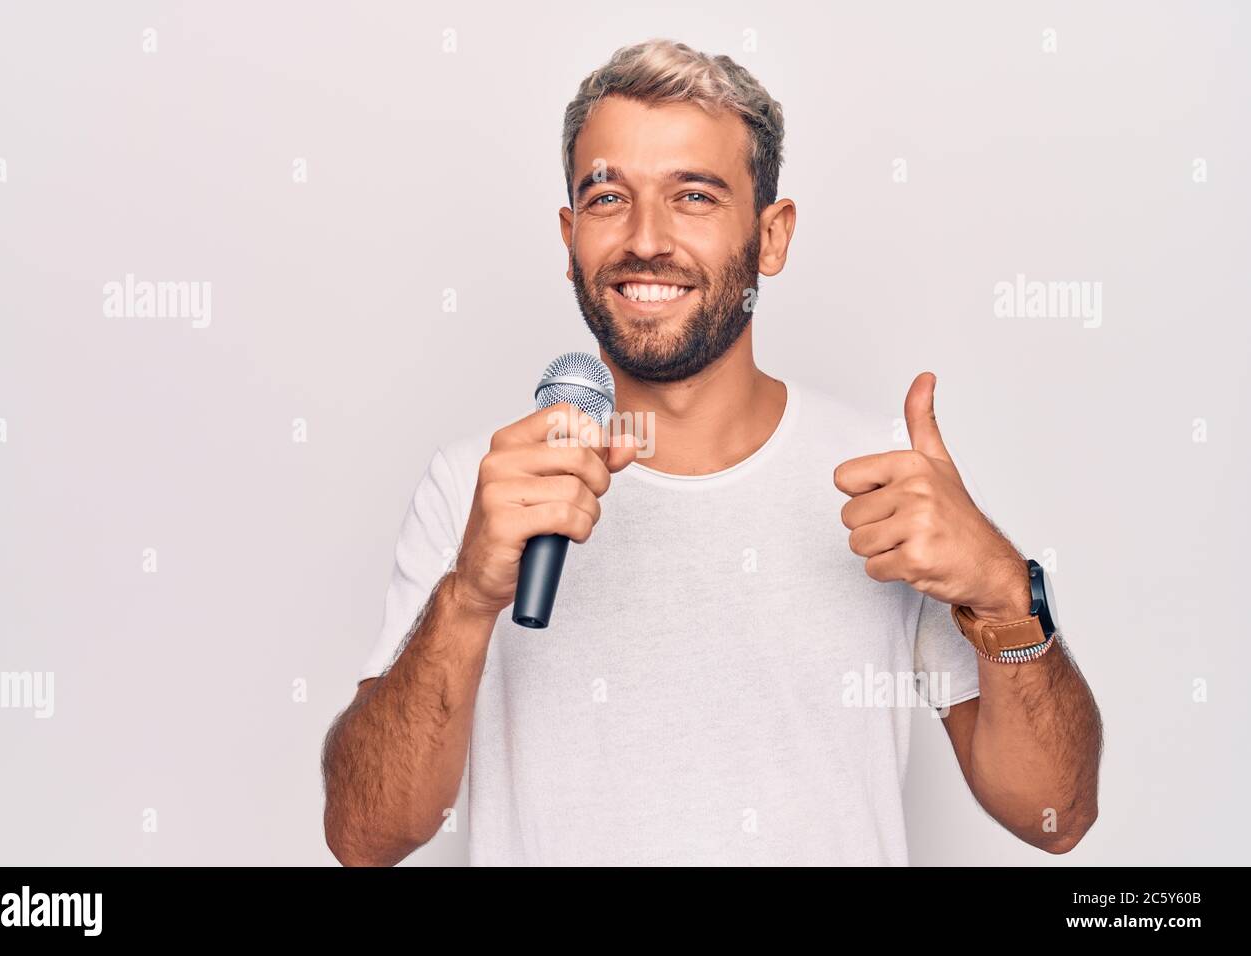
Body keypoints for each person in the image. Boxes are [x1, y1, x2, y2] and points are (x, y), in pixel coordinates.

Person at [321, 38, 1102, 866]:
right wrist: (469, 598)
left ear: (772, 236)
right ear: (568, 234)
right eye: (608, 196)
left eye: (693, 196)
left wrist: (1006, 593)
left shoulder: (885, 481)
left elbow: (1055, 813)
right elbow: (366, 837)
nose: (646, 239)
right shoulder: (479, 487)